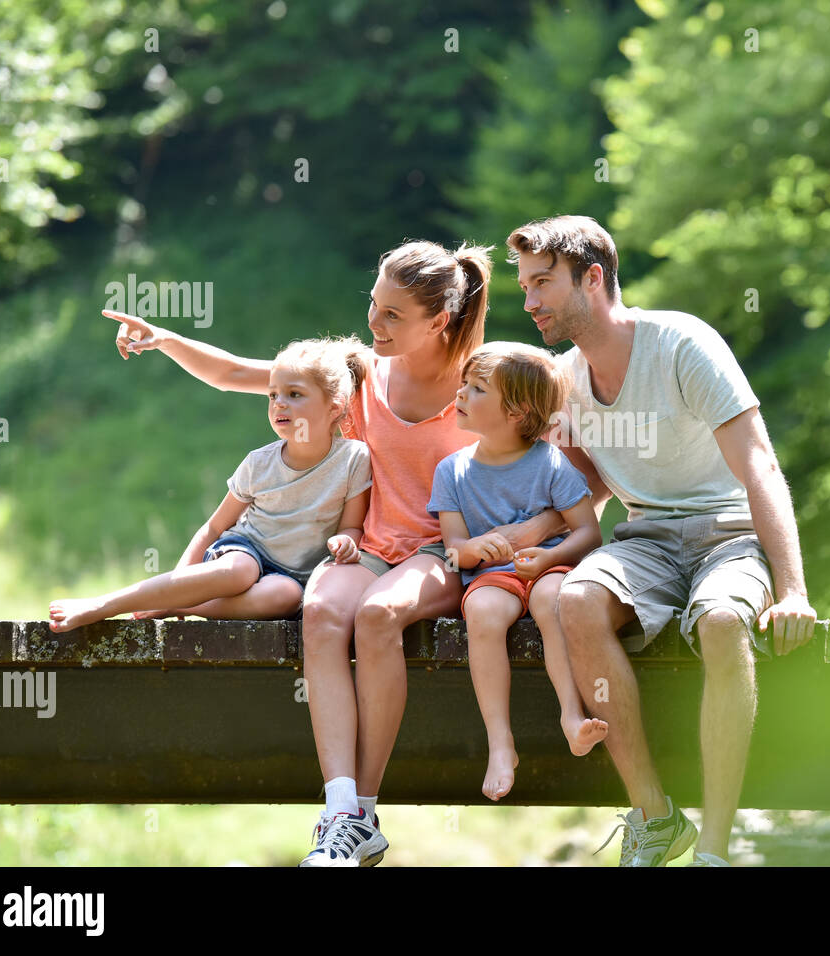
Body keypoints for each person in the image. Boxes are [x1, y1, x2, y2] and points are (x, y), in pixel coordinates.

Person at [103, 241, 561, 867]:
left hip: (443, 553)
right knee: (320, 613)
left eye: (394, 315)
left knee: (376, 616)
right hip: (368, 547)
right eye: (374, 305)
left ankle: (365, 814)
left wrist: (535, 541)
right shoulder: (362, 370)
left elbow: (556, 463)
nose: (375, 324)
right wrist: (165, 338)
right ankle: (339, 810)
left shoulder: (482, 383)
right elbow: (242, 373)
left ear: (439, 321)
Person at [507, 215, 819, 866]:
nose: (530, 302)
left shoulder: (682, 344)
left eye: (543, 283)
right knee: (577, 600)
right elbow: (583, 489)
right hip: (644, 538)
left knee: (725, 621)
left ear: (592, 278)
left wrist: (792, 591)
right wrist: (517, 540)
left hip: (728, 535)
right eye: (525, 287)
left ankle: (715, 845)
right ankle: (655, 817)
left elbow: (758, 462)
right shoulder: (565, 381)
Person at [47, 337, 372, 632]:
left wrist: (346, 543)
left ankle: (184, 605)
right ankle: (104, 605)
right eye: (273, 394)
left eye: (294, 394)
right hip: (247, 552)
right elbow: (214, 527)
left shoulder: (353, 459)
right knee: (240, 571)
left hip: (293, 577)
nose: (279, 404)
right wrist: (179, 578)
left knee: (286, 597)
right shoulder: (259, 463)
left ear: (334, 405)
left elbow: (352, 527)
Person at [428, 342, 607, 801]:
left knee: (553, 600)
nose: (462, 394)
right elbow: (452, 553)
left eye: (477, 388)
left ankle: (571, 714)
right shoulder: (452, 471)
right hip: (495, 577)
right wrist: (472, 549)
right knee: (483, 612)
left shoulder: (550, 463)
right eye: (465, 384)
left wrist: (551, 558)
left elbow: (588, 532)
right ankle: (500, 741)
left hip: (550, 567)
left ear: (516, 412)